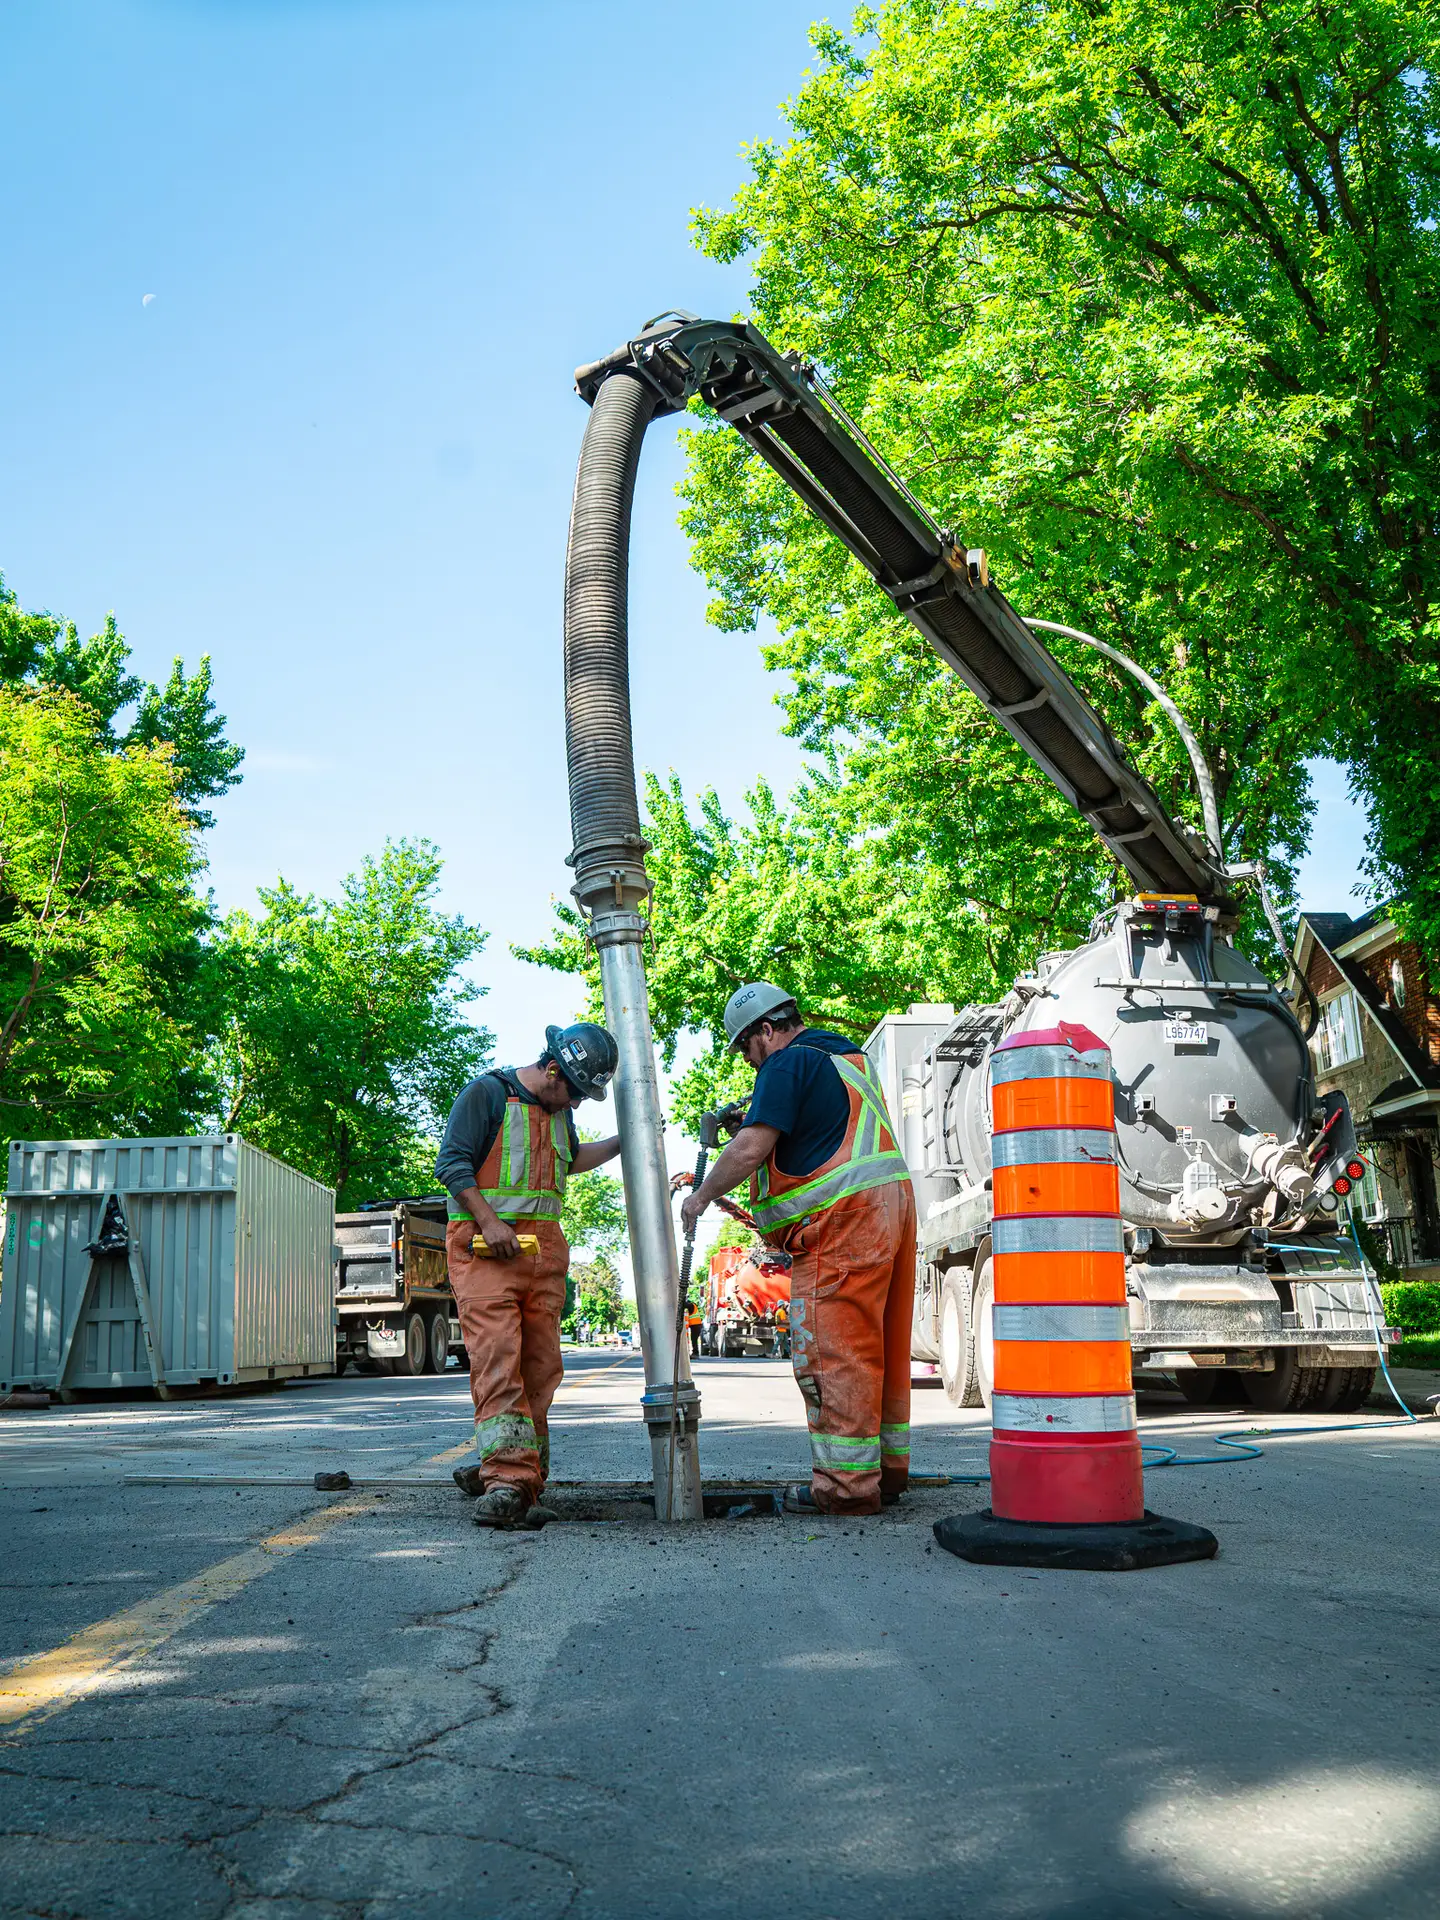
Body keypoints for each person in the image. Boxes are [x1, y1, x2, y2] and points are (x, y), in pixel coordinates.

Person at [680, 983, 916, 1517]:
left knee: (833, 1356)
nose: (748, 1061)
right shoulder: (846, 1058)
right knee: (881, 1349)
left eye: (747, 1047)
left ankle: (845, 1487)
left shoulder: (785, 1065)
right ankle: (887, 1472)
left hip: (841, 1223)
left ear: (767, 1030)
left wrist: (700, 1196)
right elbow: (819, 1129)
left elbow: (751, 1148)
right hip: (889, 1211)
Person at [436, 1022, 621, 1527]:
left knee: (540, 1371)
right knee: (499, 1363)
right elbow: (451, 1164)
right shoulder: (487, 1094)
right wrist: (489, 1221)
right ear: (553, 1069)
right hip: (486, 1255)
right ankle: (508, 1482)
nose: (578, 1104)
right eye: (577, 1092)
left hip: (541, 1261)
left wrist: (624, 1142)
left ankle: (521, 1473)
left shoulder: (559, 1112)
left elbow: (573, 1159)